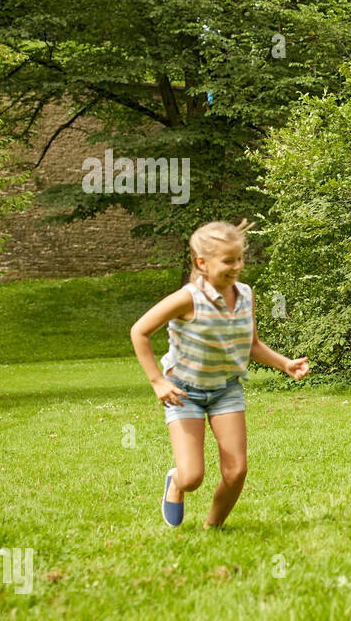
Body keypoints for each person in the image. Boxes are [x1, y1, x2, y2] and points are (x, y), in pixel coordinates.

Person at [129, 220, 309, 528]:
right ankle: (175, 482)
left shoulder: (245, 295)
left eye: (240, 258)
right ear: (202, 262)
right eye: (228, 260)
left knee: (236, 471)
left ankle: (212, 527)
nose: (237, 266)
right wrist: (158, 381)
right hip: (184, 392)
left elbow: (251, 345)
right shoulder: (188, 298)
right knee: (192, 476)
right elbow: (140, 331)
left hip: (226, 389)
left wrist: (285, 364)